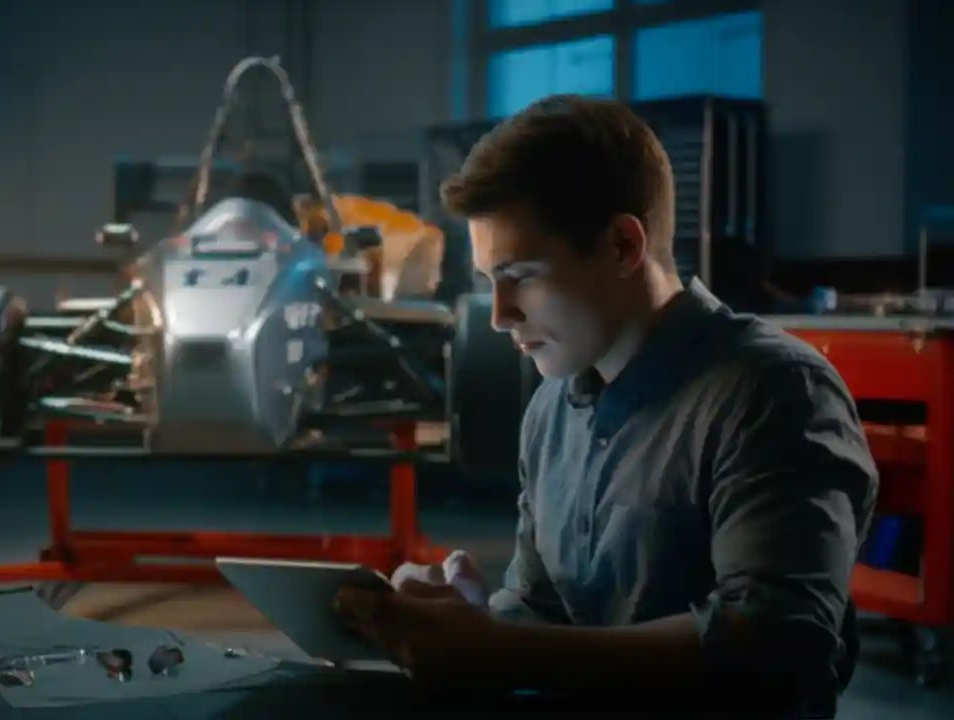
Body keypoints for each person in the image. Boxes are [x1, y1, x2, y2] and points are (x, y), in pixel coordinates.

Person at [333, 95, 879, 714]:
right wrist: (471, 621)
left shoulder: (770, 393)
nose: (499, 315)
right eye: (490, 281)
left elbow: (779, 647)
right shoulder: (550, 411)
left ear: (623, 245)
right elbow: (542, 611)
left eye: (524, 274)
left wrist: (499, 649)